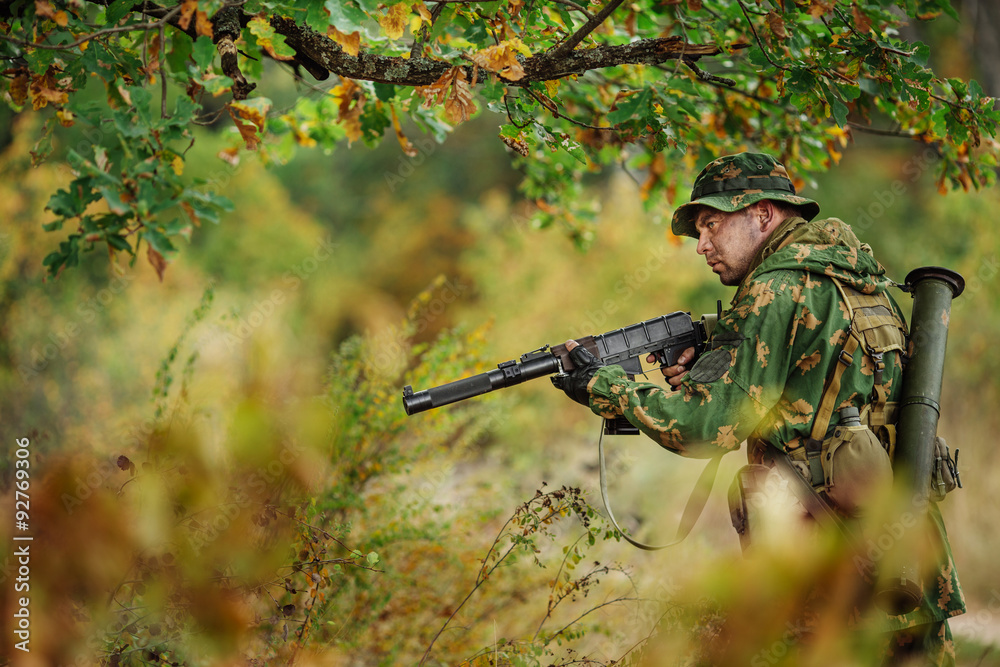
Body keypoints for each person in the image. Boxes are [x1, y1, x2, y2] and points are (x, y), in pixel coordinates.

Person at [551, 152, 965, 665]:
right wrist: (714, 362)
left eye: (712, 225)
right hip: (908, 558)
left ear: (763, 215)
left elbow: (705, 427)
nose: (701, 245)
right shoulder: (862, 280)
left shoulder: (776, 288)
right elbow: (821, 389)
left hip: (828, 567)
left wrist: (603, 384)